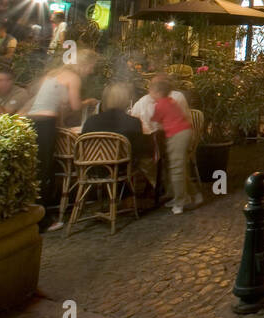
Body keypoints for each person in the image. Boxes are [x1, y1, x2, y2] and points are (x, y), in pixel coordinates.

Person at [27, 51, 97, 229]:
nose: (91, 71)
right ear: (83, 64)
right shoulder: (73, 78)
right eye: (91, 67)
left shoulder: (52, 75)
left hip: (32, 121)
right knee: (45, 171)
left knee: (36, 168)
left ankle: (30, 213)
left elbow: (50, 103)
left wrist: (61, 125)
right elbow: (74, 106)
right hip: (45, 124)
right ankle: (43, 221)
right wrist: (87, 102)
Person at [147, 75, 201, 214]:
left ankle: (180, 202)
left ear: (158, 93)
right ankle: (194, 195)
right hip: (184, 132)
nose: (149, 94)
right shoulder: (171, 101)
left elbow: (154, 121)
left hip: (177, 135)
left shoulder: (160, 105)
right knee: (179, 168)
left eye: (151, 91)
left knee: (176, 168)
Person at [82, 82, 149, 179]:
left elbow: (83, 147)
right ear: (125, 100)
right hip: (121, 168)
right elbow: (138, 151)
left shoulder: (91, 121)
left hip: (92, 168)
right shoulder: (133, 122)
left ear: (104, 100)